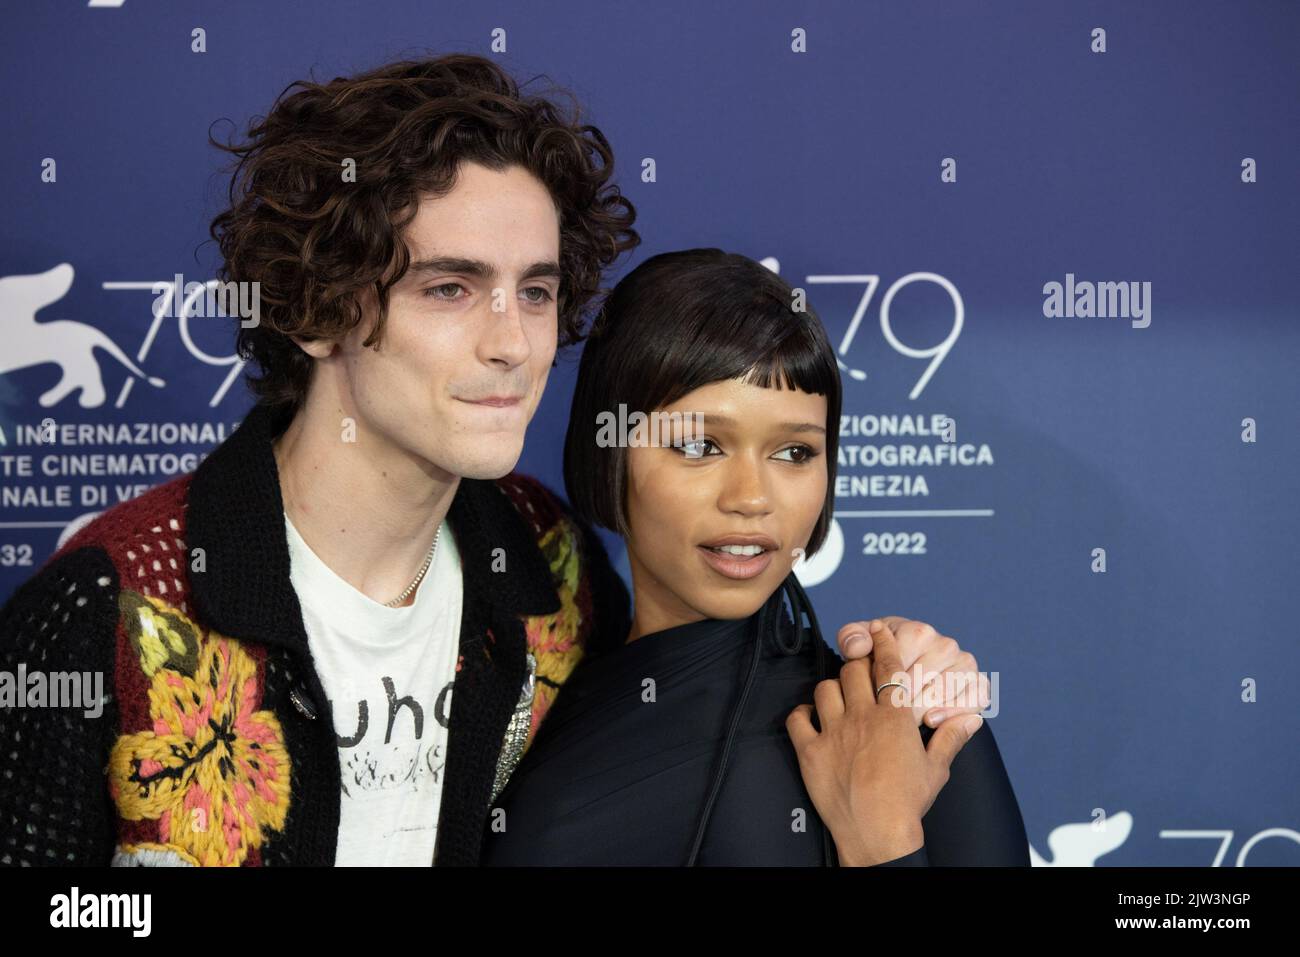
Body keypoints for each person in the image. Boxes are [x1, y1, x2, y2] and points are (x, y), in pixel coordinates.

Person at [0, 56, 985, 868]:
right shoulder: (114, 604)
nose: (513, 344)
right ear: (312, 309)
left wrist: (908, 664)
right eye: (450, 289)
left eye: (537, 290)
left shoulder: (551, 570)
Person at [480, 249, 1031, 866]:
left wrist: (881, 843)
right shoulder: (519, 694)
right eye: (699, 445)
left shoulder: (909, 721)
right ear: (608, 453)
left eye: (795, 453)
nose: (751, 498)